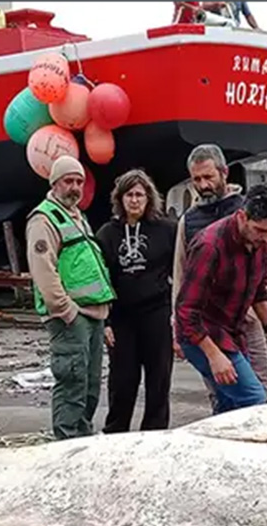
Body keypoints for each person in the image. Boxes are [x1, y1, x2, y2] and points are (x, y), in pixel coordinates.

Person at [172, 144, 267, 402]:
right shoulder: (193, 226)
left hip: (246, 318)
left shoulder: (258, 219)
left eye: (208, 177)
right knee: (234, 393)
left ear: (224, 173)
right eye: (197, 179)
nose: (203, 185)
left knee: (260, 389)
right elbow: (181, 279)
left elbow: (265, 276)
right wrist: (176, 326)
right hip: (206, 323)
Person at [26, 155, 116, 439]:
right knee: (72, 381)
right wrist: (65, 310)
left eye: (79, 181)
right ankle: (66, 441)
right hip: (71, 316)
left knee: (90, 385)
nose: (75, 187)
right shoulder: (44, 219)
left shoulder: (77, 217)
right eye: (68, 181)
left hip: (92, 315)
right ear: (54, 183)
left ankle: (82, 436)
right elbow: (43, 268)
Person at [95, 169, 177, 433]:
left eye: (139, 195)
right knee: (122, 380)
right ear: (120, 199)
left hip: (157, 312)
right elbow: (100, 279)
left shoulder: (168, 230)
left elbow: (180, 272)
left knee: (159, 378)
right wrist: (104, 321)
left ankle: (155, 431)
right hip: (121, 317)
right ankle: (115, 432)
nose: (134, 201)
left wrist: (179, 316)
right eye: (129, 195)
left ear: (149, 198)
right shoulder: (107, 233)